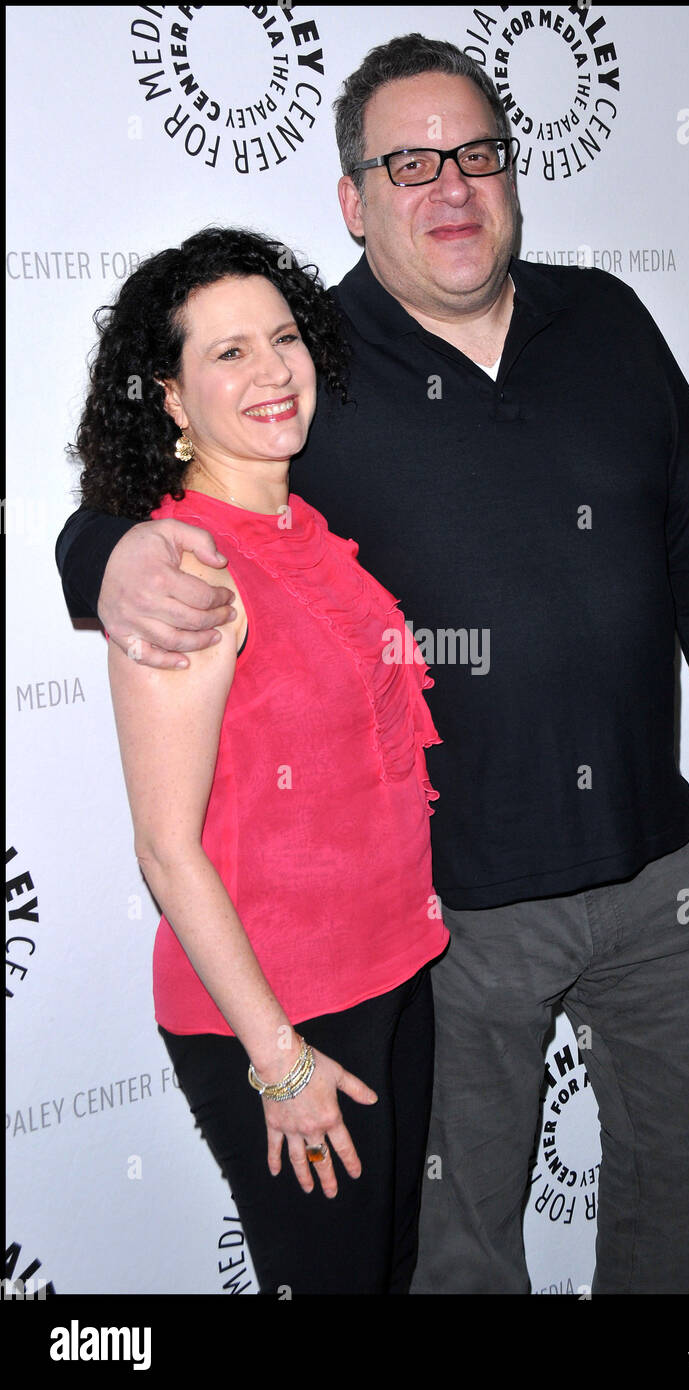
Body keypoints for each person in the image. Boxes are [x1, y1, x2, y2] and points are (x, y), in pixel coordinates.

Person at [57, 36, 689, 1295]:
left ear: (512, 176)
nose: (451, 186)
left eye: (477, 155)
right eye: (410, 162)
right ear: (353, 198)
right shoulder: (309, 367)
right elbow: (155, 498)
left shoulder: (607, 318)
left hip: (660, 864)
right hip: (451, 917)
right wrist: (106, 553)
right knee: (455, 1253)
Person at [67, 225, 448, 1295]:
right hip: (277, 1010)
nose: (272, 369)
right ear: (173, 399)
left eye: (281, 338)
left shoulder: (310, 528)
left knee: (388, 1274)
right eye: (227, 352)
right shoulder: (182, 563)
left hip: (392, 975)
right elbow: (164, 845)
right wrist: (277, 1062)